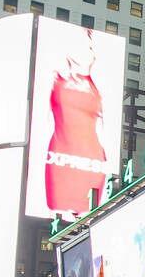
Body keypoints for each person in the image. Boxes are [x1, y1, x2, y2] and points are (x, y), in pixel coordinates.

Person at [45, 31, 107, 217]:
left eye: (92, 47)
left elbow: (106, 133)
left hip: (92, 165)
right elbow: (44, 122)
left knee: (88, 220)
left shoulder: (99, 84)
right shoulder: (55, 80)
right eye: (87, 46)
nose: (92, 52)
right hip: (60, 162)